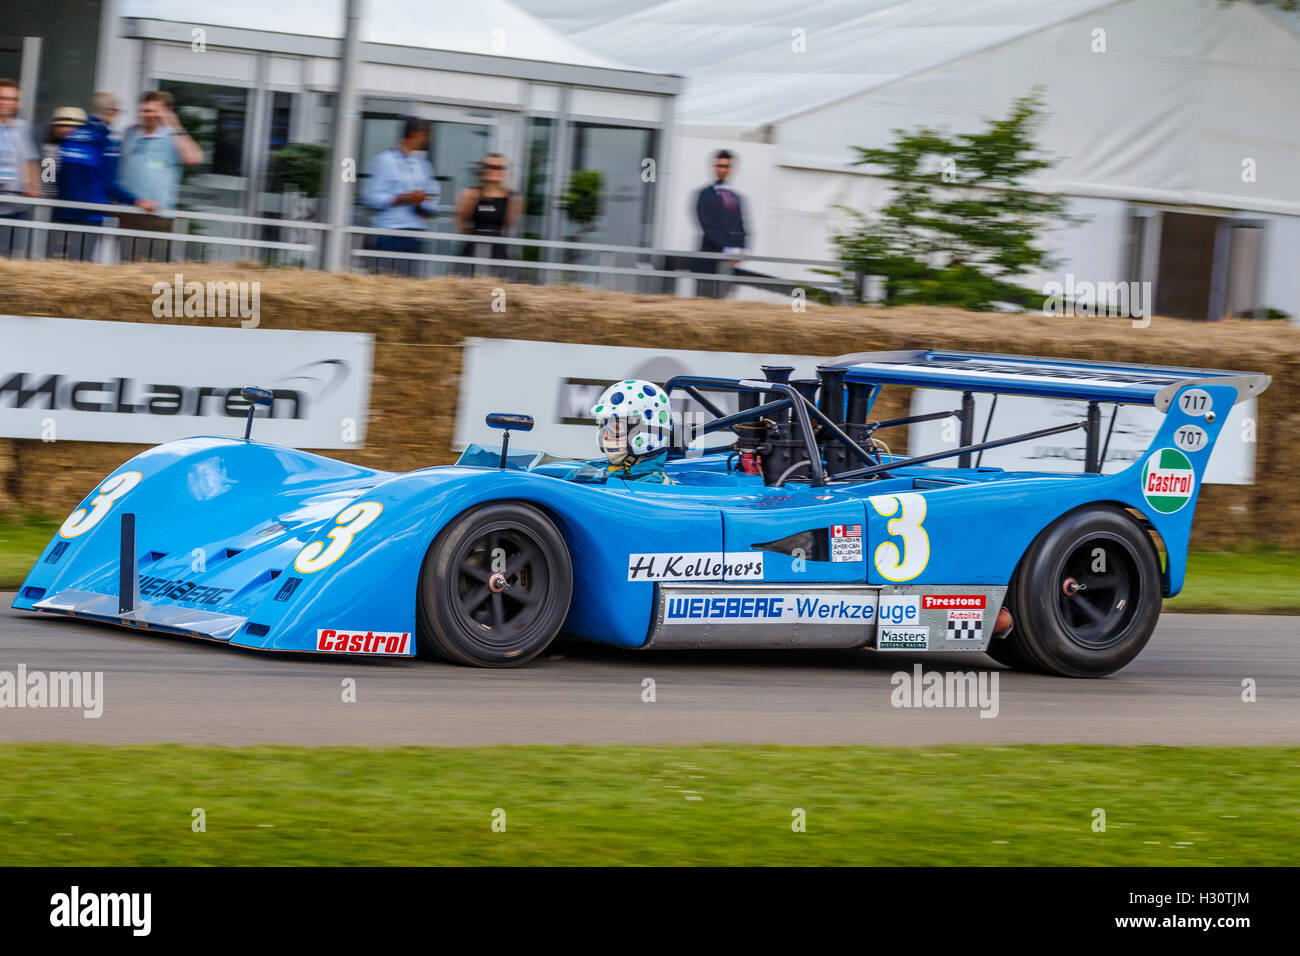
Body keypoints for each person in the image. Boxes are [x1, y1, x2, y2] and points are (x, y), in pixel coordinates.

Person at [115, 90, 203, 260]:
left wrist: (175, 125)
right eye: (144, 110)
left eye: (153, 110)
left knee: (155, 272)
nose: (148, 115)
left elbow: (194, 158)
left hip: (159, 215)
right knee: (126, 269)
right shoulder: (129, 134)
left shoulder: (172, 136)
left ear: (165, 112)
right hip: (128, 213)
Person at [363, 117, 440, 276]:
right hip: (389, 234)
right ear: (413, 133)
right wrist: (402, 198)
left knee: (409, 287)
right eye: (426, 134)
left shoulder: (423, 165)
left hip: (414, 234)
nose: (429, 139)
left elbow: (433, 195)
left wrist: (423, 204)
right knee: (384, 284)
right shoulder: (385, 161)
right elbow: (371, 197)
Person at [588, 379, 674, 483]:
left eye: (617, 429)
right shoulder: (592, 470)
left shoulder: (654, 485)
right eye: (604, 426)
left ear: (648, 434)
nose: (605, 436)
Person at [454, 152, 521, 275]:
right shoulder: (470, 194)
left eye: (499, 167)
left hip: (498, 249)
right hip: (473, 248)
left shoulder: (513, 199)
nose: (493, 170)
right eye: (488, 166)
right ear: (482, 170)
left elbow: (509, 225)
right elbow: (461, 223)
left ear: (505, 172)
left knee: (496, 290)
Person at [694, 149, 748, 299]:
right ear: (713, 167)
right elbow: (708, 225)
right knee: (704, 301)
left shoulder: (734, 197)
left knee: (725, 300)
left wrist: (741, 248)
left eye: (725, 166)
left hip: (729, 262)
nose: (721, 169)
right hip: (708, 259)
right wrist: (729, 248)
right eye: (718, 165)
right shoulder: (704, 195)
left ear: (731, 169)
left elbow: (740, 225)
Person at [0, 77, 40, 255]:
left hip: (14, 207)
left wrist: (34, 187)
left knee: (8, 259)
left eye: (12, 99)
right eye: (3, 98)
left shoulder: (22, 128)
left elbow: (30, 160)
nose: (7, 103)